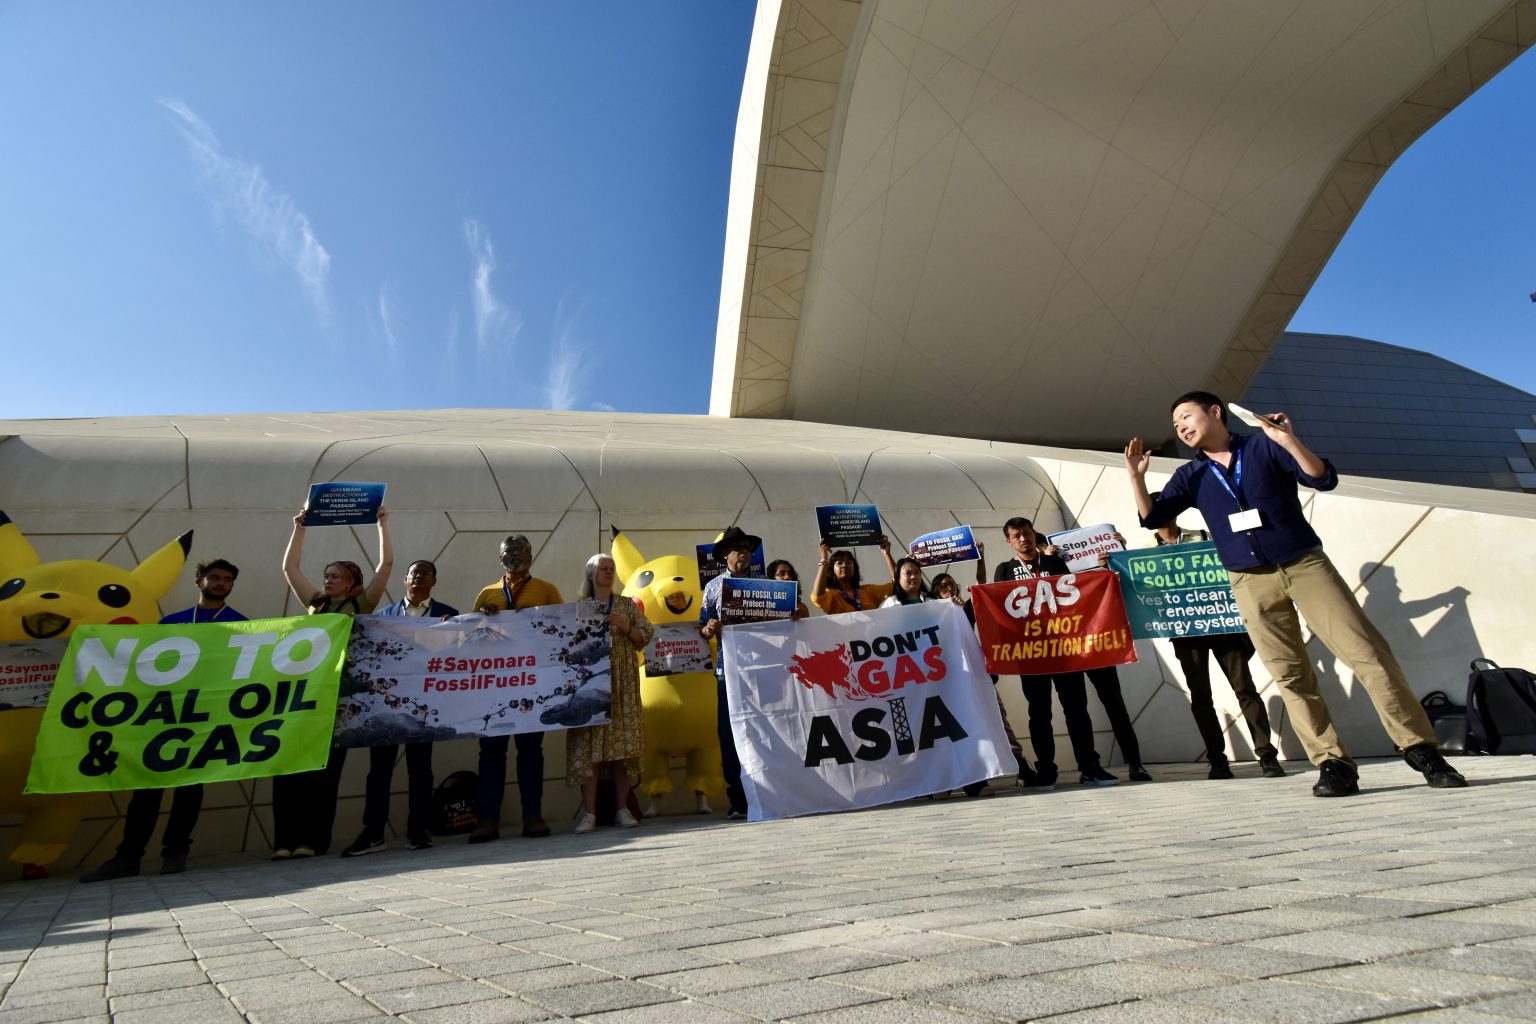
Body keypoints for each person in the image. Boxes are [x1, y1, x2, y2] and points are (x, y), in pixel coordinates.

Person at [1125, 391, 1466, 796]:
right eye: (1175, 423)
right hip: (1249, 579)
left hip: (1304, 564)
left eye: (1186, 416)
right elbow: (1153, 518)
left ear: (1215, 412)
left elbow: (1322, 478)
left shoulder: (1264, 446)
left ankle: (1421, 749)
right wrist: (1136, 477)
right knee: (1289, 674)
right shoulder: (1191, 474)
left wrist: (1287, 440)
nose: (1180, 426)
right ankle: (1332, 763)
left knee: (1368, 654)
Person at [81, 559, 247, 881]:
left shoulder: (241, 625)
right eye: (214, 577)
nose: (221, 583)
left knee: (190, 787)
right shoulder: (171, 622)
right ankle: (128, 856)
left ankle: (176, 851)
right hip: (164, 713)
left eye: (227, 579)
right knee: (147, 786)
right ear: (199, 581)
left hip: (206, 716)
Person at [276, 507, 394, 857]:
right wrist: (299, 529)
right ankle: (285, 840)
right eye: (326, 575)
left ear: (351, 582)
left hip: (339, 698)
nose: (328, 581)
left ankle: (313, 840)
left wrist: (382, 525)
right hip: (305, 694)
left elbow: (386, 565)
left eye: (336, 576)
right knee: (291, 769)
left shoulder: (362, 603)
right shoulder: (316, 604)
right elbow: (290, 569)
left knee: (325, 771)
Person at [339, 559, 459, 857]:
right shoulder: (382, 616)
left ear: (434, 581)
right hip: (385, 707)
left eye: (425, 573)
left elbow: (459, 655)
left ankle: (418, 831)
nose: (418, 577)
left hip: (426, 706)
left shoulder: (450, 615)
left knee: (421, 769)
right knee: (379, 771)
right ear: (405, 579)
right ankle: (373, 832)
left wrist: (453, 632)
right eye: (413, 573)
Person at [1153, 522, 1286, 780]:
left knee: (1244, 688)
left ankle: (1267, 755)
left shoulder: (1204, 536)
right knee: (1201, 696)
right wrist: (1114, 554)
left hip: (1221, 624)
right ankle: (1217, 760)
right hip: (1186, 632)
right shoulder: (1146, 552)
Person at [993, 517, 1118, 787]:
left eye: (1026, 533)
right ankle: (1046, 771)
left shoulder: (1054, 563)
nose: (1023, 539)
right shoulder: (1004, 570)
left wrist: (1105, 567)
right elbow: (999, 611)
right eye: (1016, 536)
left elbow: (1077, 596)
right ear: (1009, 541)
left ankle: (1090, 766)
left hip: (1064, 650)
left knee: (1077, 709)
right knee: (1040, 713)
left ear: (1034, 533)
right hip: (1031, 654)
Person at [470, 534, 564, 840]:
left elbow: (562, 631)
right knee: (491, 753)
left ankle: (532, 817)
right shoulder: (486, 593)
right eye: (510, 551)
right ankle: (488, 821)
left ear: (531, 557)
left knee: (531, 752)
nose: (516, 554)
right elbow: (471, 640)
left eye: (522, 550)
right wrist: (482, 619)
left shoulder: (547, 590)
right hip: (495, 688)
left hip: (532, 687)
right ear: (501, 559)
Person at [569, 554, 653, 833]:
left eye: (611, 568)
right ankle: (589, 813)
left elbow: (646, 634)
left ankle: (621, 809)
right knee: (589, 750)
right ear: (590, 574)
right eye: (603, 568)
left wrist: (627, 627)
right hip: (590, 685)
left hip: (622, 686)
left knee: (621, 750)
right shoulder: (579, 608)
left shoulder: (626, 605)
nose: (608, 572)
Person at [699, 526, 760, 819]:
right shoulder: (713, 587)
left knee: (764, 728)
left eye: (747, 549)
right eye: (738, 549)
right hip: (728, 669)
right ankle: (738, 799)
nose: (744, 554)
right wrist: (708, 628)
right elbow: (702, 626)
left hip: (761, 667)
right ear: (726, 554)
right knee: (730, 733)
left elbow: (783, 619)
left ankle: (769, 793)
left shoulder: (764, 584)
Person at [811, 536, 897, 614]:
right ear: (831, 570)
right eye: (839, 563)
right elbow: (818, 595)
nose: (844, 565)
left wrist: (887, 554)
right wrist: (824, 559)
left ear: (854, 568)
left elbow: (897, 585)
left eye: (849, 562)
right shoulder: (831, 594)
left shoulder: (867, 591)